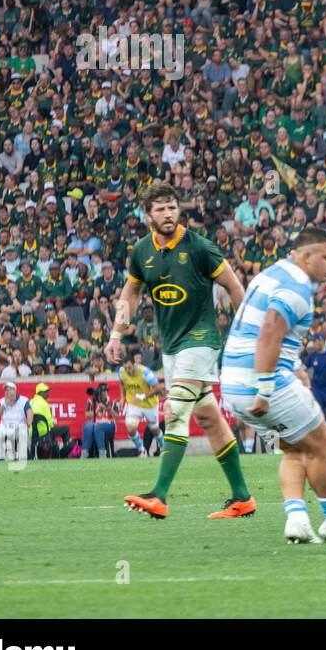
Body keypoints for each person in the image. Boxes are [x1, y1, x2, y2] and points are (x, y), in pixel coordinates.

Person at [107, 181, 252, 520]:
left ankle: (159, 495)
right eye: (161, 208)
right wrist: (116, 334)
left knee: (175, 410)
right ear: (148, 216)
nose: (168, 213)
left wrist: (246, 331)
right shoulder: (142, 251)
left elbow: (233, 285)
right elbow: (130, 295)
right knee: (209, 419)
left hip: (201, 340)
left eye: (172, 206)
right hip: (172, 347)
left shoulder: (199, 247)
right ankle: (242, 497)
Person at [220, 227, 326, 544]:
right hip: (261, 381)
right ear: (305, 256)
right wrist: (264, 389)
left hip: (232, 382)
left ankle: (298, 519)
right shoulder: (296, 286)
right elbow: (269, 335)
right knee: (322, 444)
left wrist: (294, 369)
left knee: (294, 448)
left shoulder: (270, 274)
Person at [118, 352, 162, 456]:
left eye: (129, 368)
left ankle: (163, 447)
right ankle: (142, 450)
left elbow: (158, 388)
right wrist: (122, 398)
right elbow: (121, 383)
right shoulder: (121, 371)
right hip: (134, 403)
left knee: (155, 430)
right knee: (130, 428)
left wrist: (143, 396)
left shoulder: (145, 372)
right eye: (125, 368)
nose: (127, 371)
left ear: (134, 364)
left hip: (149, 404)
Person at [29, 382, 71, 458]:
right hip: (44, 432)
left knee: (53, 430)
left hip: (32, 433)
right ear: (40, 393)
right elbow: (50, 424)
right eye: (46, 392)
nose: (48, 393)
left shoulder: (30, 402)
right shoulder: (44, 403)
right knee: (66, 428)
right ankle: (66, 454)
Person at [0, 379, 30, 460]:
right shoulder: (2, 401)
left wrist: (27, 425)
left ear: (14, 390)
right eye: (6, 389)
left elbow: (30, 413)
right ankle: (0, 458)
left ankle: (22, 458)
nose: (7, 391)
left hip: (18, 427)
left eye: (9, 389)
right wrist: (5, 405)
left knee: (23, 433)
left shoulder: (24, 400)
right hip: (4, 427)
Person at [81, 384, 119, 458]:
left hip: (109, 424)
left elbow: (117, 417)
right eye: (103, 392)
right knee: (87, 425)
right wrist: (97, 409)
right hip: (95, 423)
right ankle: (84, 453)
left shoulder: (112, 401)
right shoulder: (91, 401)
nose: (105, 393)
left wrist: (110, 410)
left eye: (106, 391)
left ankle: (102, 453)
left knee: (97, 427)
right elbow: (87, 415)